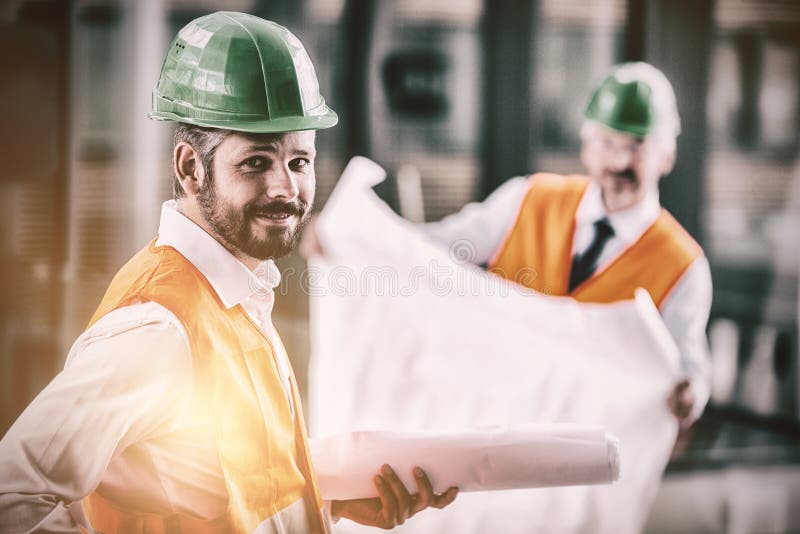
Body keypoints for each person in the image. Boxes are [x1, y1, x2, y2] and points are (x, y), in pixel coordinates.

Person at [0, 12, 456, 534]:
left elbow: (231, 489)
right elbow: (12, 494)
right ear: (191, 168)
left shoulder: (241, 297)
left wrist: (327, 503)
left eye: (299, 162)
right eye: (256, 163)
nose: (286, 189)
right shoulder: (157, 328)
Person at [423, 62, 711, 426]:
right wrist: (352, 232)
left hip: (587, 452)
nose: (620, 160)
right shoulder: (528, 197)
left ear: (666, 156)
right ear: (586, 146)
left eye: (637, 146)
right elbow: (434, 247)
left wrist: (690, 395)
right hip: (489, 421)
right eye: (607, 143)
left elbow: (690, 370)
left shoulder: (684, 266)